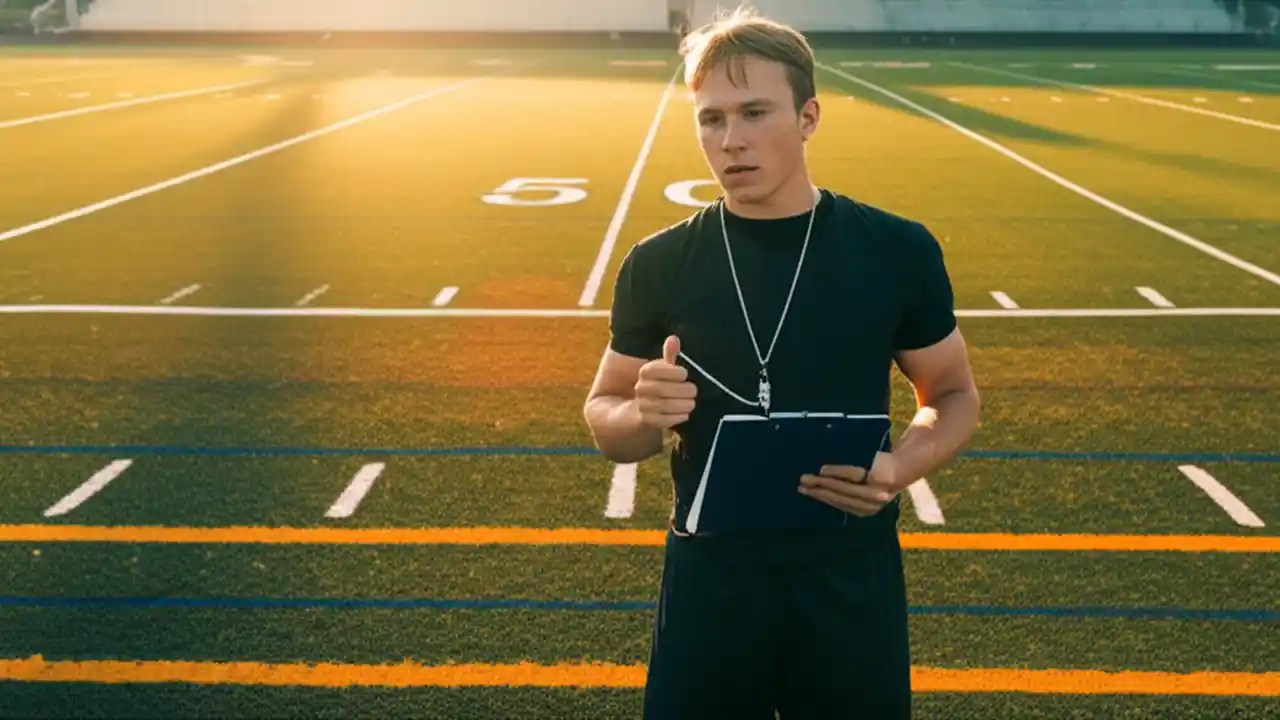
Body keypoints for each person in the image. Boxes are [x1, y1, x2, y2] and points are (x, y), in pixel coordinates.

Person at [582, 7, 980, 719]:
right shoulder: (659, 263)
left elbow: (951, 394)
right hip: (712, 579)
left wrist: (902, 465)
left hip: (848, 576)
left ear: (808, 116)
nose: (730, 140)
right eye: (711, 119)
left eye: (754, 112)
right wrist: (642, 414)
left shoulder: (894, 251)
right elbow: (605, 417)